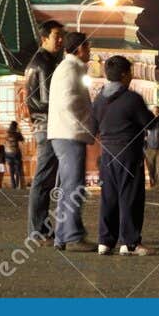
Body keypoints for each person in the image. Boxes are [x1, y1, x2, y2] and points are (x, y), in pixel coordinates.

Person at [90, 55, 154, 255]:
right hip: (128, 152)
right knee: (130, 196)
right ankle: (130, 243)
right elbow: (148, 123)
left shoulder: (99, 99)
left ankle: (105, 241)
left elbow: (93, 127)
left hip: (107, 154)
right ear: (125, 75)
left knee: (109, 197)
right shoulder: (132, 98)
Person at [48, 30, 95, 249]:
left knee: (70, 185)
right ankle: (72, 236)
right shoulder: (70, 69)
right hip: (69, 133)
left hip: (66, 132)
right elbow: (69, 101)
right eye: (88, 47)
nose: (90, 51)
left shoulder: (69, 67)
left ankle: (62, 236)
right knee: (73, 186)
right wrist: (88, 118)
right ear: (79, 49)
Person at [24, 19, 66, 243]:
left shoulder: (44, 60)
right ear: (44, 38)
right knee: (43, 179)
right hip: (47, 125)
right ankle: (37, 229)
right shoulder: (43, 63)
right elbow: (46, 99)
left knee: (47, 179)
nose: (60, 40)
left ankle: (42, 228)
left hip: (44, 124)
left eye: (62, 36)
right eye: (56, 36)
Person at [5, 121, 26, 190]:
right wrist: (19, 131)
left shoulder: (7, 133)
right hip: (16, 153)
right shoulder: (16, 133)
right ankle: (17, 184)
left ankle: (13, 185)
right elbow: (22, 139)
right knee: (17, 169)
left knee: (11, 170)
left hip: (8, 153)